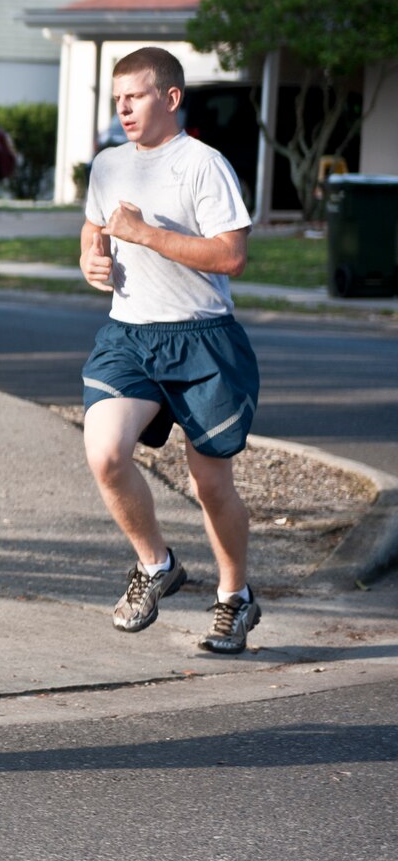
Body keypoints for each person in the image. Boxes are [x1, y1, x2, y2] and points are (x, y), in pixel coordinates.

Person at [78, 46, 261, 654]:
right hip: (129, 335)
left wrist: (146, 235)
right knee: (106, 453)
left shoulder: (203, 165)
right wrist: (91, 257)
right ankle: (156, 564)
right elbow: (95, 226)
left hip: (203, 339)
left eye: (135, 96)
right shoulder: (108, 164)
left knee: (210, 484)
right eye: (118, 99)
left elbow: (231, 255)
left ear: (171, 98)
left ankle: (234, 597)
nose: (124, 109)